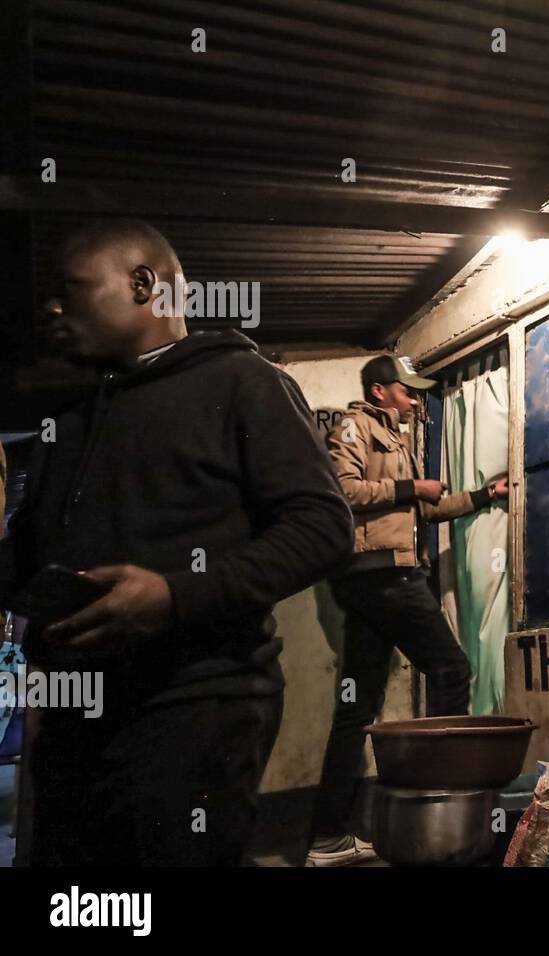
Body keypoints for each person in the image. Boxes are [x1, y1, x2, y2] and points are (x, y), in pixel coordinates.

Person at [1, 220, 354, 866]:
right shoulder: (71, 420)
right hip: (75, 718)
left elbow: (324, 527)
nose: (49, 308)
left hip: (195, 704)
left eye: (68, 290)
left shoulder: (241, 383)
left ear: (143, 285)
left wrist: (173, 597)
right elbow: (26, 557)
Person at [307, 354, 506, 866]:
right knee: (452, 669)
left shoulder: (395, 438)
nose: (415, 400)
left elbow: (425, 508)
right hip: (382, 575)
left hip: (379, 578)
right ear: (379, 391)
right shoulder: (355, 427)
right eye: (406, 391)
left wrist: (484, 495)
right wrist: (410, 487)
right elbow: (342, 492)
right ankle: (441, 806)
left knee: (357, 709)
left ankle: (327, 838)